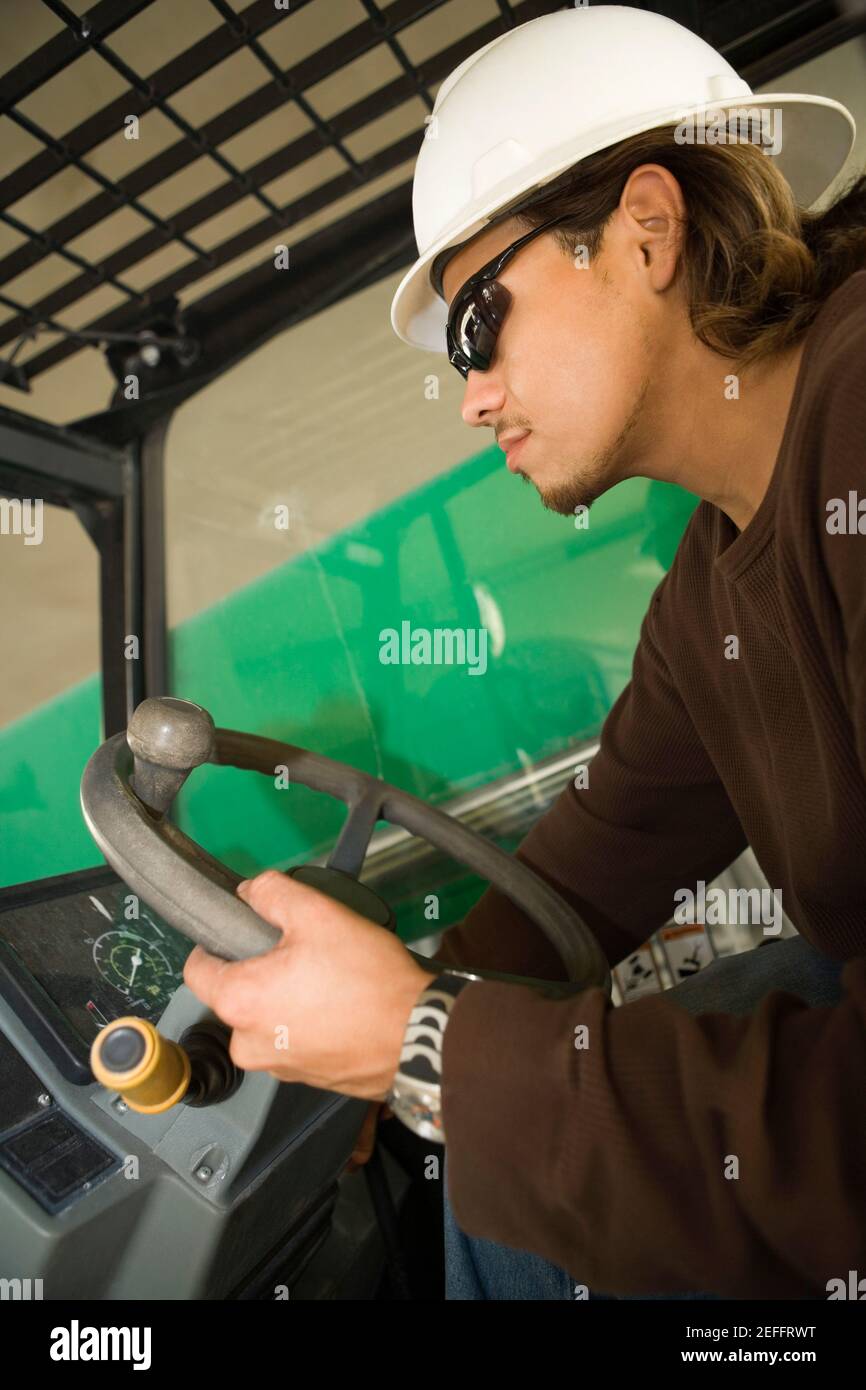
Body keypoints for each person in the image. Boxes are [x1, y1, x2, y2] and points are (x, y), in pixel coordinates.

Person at [183, 7, 866, 1299]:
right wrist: (375, 1019)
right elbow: (592, 871)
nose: (471, 394)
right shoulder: (711, 580)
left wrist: (423, 1039)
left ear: (646, 231)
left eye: (474, 324)